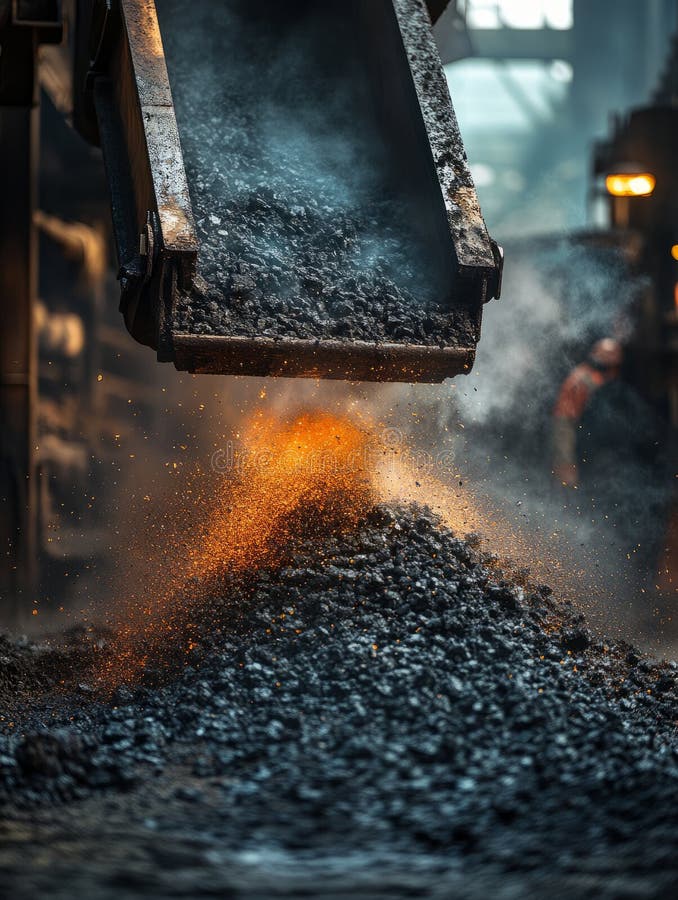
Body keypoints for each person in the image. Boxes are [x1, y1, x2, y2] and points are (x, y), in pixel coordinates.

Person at [551, 338, 623, 488]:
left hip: (608, 454)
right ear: (594, 354)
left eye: (615, 355)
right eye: (606, 354)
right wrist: (565, 461)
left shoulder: (611, 379)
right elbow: (564, 422)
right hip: (584, 453)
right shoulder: (580, 380)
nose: (611, 358)